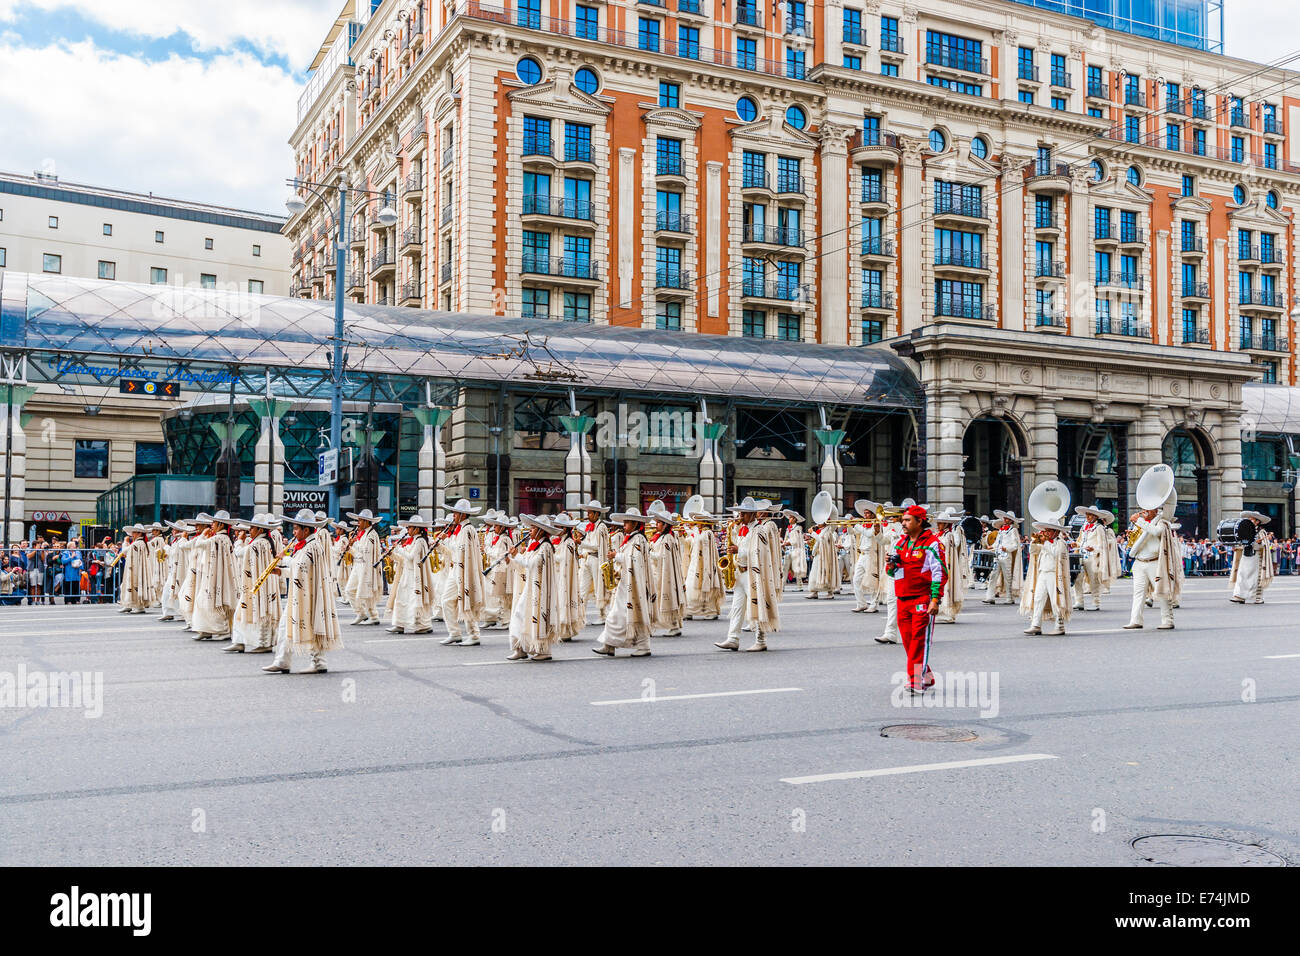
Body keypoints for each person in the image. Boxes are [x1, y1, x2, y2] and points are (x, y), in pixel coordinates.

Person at [262, 509, 343, 674]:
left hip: (310, 593)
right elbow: (299, 570)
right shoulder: (306, 545)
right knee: (286, 625)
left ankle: (319, 662)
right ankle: (283, 661)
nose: (294, 532)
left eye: (297, 529)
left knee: (313, 625)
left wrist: (284, 559)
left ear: (306, 530)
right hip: (301, 591)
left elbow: (301, 567)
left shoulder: (312, 546)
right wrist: (281, 571)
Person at [888, 505, 944, 694]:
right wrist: (891, 564)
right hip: (902, 598)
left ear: (920, 522)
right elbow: (891, 573)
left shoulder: (932, 543)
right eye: (903, 520)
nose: (903, 523)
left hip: (922, 598)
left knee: (919, 641)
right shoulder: (901, 543)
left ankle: (915, 680)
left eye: (907, 520)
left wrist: (935, 600)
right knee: (907, 641)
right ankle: (926, 675)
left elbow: (939, 573)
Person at [594, 507, 655, 658]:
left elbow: (635, 560)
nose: (624, 525)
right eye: (625, 522)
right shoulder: (632, 539)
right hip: (626, 582)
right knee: (616, 615)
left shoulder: (639, 540)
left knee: (636, 614)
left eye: (627, 522)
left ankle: (644, 646)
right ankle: (609, 644)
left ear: (635, 524)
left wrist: (617, 556)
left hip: (635, 584)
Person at [507, 514, 561, 661]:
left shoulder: (545, 547)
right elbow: (525, 563)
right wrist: (512, 559)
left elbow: (532, 564)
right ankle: (521, 648)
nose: (529, 530)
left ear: (541, 530)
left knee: (536, 617)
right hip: (531, 587)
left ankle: (544, 650)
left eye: (533, 528)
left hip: (540, 590)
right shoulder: (535, 545)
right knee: (521, 615)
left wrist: (517, 555)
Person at [228, 514, 283, 653]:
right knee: (246, 612)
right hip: (262, 583)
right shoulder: (265, 542)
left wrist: (239, 542)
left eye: (252, 528)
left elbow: (239, 553)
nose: (249, 531)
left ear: (259, 529)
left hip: (257, 584)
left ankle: (263, 644)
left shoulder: (257, 544)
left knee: (260, 612)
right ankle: (240, 641)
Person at [437, 499, 487, 647]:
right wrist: (439, 545)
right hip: (455, 569)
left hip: (464, 570)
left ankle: (474, 634)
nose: (453, 515)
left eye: (455, 513)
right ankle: (454, 633)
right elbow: (453, 552)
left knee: (467, 601)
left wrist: (446, 540)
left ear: (462, 515)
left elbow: (461, 550)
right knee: (446, 600)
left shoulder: (467, 530)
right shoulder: (459, 530)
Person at [1123, 505, 1181, 630]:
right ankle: (1135, 620)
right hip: (1139, 562)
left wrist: (1139, 521)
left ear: (1156, 510)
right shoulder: (1142, 523)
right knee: (1138, 593)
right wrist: (1132, 534)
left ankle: (1168, 620)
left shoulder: (1162, 522)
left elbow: (1156, 532)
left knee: (1161, 592)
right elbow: (1136, 541)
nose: (1144, 512)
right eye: (1143, 509)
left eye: (1148, 509)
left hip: (1155, 562)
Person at [1020, 521, 1072, 636]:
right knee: (1038, 598)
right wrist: (1035, 542)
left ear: (1056, 532)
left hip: (1054, 574)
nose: (1046, 533)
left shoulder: (1060, 543)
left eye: (1049, 530)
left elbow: (1056, 554)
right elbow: (1033, 551)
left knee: (1056, 600)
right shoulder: (1045, 542)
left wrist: (1045, 543)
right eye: (1046, 530)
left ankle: (1060, 626)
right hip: (1042, 572)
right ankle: (1036, 625)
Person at [192, 511, 237, 640]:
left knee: (214, 602)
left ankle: (221, 630)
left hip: (215, 575)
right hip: (216, 574)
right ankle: (206, 629)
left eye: (214, 523)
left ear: (221, 525)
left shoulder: (217, 538)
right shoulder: (225, 539)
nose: (212, 525)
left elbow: (198, 544)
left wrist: (203, 535)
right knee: (208, 600)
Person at [389, 515, 436, 634]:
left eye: (410, 528)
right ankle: (399, 623)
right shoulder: (414, 540)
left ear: (416, 529)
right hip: (407, 573)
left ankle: (424, 625)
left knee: (416, 600)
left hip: (415, 575)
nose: (408, 530)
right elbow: (404, 559)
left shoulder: (420, 541)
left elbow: (410, 557)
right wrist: (392, 554)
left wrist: (398, 548)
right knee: (402, 598)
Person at [646, 502, 686, 636]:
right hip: (656, 571)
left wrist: (647, 552)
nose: (656, 525)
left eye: (658, 523)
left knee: (664, 598)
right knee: (656, 600)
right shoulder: (662, 537)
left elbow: (662, 557)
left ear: (665, 524)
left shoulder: (668, 538)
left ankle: (672, 625)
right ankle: (658, 625)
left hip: (662, 573)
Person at [1072, 506, 1119, 611]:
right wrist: (1076, 544)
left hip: (1093, 557)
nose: (1087, 517)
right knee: (1077, 579)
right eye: (1087, 515)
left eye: (1090, 515)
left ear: (1095, 517)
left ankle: (1095, 602)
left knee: (1094, 580)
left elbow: (1103, 544)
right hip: (1081, 555)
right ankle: (1079, 601)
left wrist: (1094, 548)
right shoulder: (1084, 527)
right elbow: (1081, 541)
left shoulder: (1099, 528)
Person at [344, 509, 385, 625]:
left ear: (367, 522)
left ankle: (373, 615)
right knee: (349, 590)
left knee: (367, 592)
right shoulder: (361, 534)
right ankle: (361, 613)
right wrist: (351, 547)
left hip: (367, 567)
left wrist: (352, 547)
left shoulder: (372, 535)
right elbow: (359, 551)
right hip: (358, 565)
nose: (358, 523)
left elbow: (366, 553)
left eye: (360, 521)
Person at [575, 499, 612, 625]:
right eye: (588, 512)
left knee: (598, 588)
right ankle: (580, 616)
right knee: (582, 588)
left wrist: (581, 543)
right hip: (588, 559)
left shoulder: (601, 527)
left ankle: (603, 615)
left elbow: (597, 546)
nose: (588, 515)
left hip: (597, 559)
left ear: (597, 514)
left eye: (590, 513)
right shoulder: (590, 527)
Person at [684, 510, 725, 621]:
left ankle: (709, 611)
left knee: (706, 585)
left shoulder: (707, 533)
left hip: (705, 564)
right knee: (690, 586)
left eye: (697, 520)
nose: (695, 522)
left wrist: (694, 531)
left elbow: (701, 543)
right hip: (695, 563)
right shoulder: (699, 533)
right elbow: (691, 543)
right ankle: (689, 610)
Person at [551, 513, 584, 642]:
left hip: (564, 575)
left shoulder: (569, 542)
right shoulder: (563, 541)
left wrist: (551, 556)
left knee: (564, 599)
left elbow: (565, 560)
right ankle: (562, 629)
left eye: (558, 527)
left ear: (564, 528)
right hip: (559, 574)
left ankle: (566, 630)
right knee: (559, 601)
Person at [1229, 511, 1274, 604]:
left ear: (1257, 521)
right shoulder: (1245, 530)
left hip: (1256, 557)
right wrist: (1237, 548)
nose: (1249, 520)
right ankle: (1239, 596)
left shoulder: (1261, 532)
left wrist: (1258, 543)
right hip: (1245, 556)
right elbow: (1242, 543)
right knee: (1241, 575)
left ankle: (1258, 597)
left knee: (1256, 578)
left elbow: (1264, 545)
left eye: (1252, 519)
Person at [934, 510, 968, 624]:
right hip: (938, 564)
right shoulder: (939, 534)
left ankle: (947, 613)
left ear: (946, 524)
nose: (938, 525)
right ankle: (940, 611)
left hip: (945, 564)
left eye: (941, 523)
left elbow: (947, 549)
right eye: (938, 523)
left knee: (946, 588)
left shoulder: (949, 535)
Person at [983, 510, 1023, 605]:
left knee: (1007, 577)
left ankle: (1009, 597)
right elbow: (997, 542)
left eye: (1007, 518)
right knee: (993, 576)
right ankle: (989, 597)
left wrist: (1007, 549)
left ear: (1011, 520)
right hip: (997, 555)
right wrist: (992, 546)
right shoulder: (1001, 530)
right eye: (1004, 518)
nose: (1005, 519)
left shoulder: (1013, 530)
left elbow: (1015, 545)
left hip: (1006, 556)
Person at [805, 513, 839, 599]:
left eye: (820, 521)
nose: (818, 523)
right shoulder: (821, 530)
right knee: (815, 572)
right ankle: (814, 591)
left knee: (826, 572)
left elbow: (821, 540)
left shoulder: (829, 531)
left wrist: (812, 533)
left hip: (825, 555)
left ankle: (830, 592)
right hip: (819, 554)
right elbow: (818, 541)